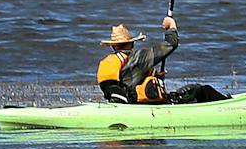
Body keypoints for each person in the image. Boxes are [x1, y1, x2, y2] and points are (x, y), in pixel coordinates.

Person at [94, 15, 226, 106]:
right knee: (202, 90)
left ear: (113, 46)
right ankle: (227, 104)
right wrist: (171, 26)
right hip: (144, 105)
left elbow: (124, 82)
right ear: (131, 44)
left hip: (130, 103)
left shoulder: (110, 61)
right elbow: (171, 43)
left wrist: (154, 77)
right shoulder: (138, 58)